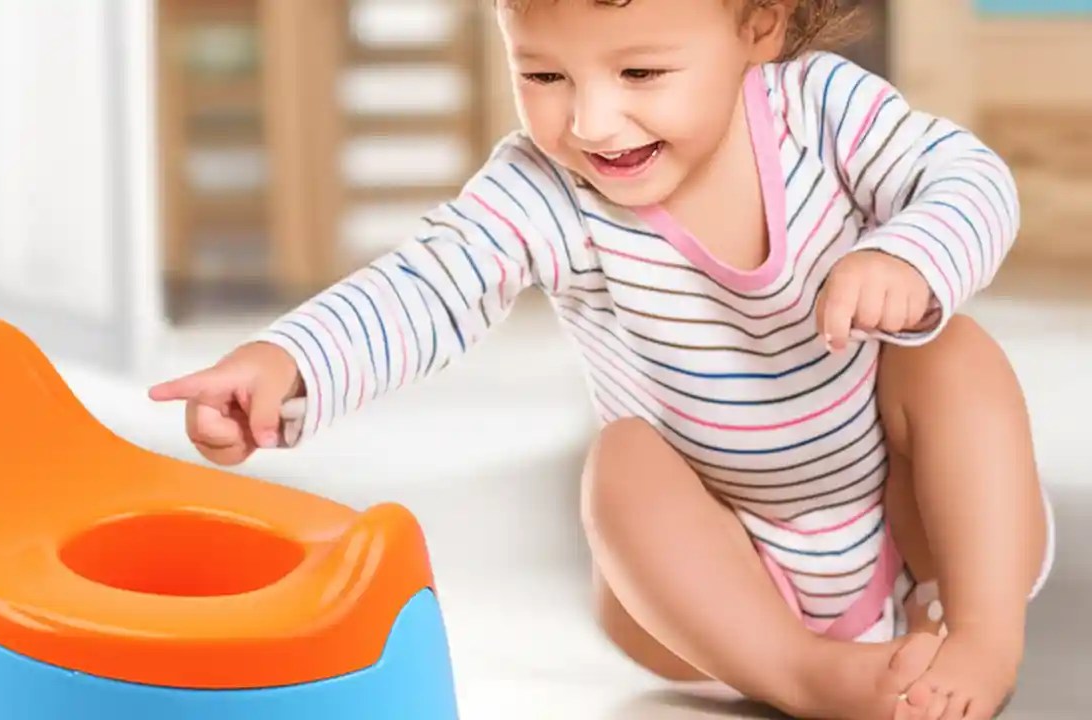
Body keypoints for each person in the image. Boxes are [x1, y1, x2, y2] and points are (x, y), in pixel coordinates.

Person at [149, 2, 1053, 718]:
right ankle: (805, 674)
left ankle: (981, 636)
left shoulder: (821, 109)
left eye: (641, 72)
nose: (591, 120)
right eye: (541, 73)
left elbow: (969, 177)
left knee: (953, 354)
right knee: (621, 462)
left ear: (758, 25)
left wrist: (911, 256)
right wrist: (290, 361)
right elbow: (429, 283)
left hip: (912, 528)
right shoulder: (545, 189)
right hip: (715, 576)